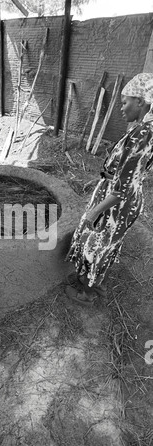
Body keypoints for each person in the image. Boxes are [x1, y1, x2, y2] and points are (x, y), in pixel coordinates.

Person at [65, 72, 153, 306]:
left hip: (117, 203)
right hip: (120, 198)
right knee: (106, 243)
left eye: (125, 102)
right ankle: (97, 283)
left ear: (141, 102)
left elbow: (123, 186)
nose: (121, 108)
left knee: (96, 244)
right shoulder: (144, 129)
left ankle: (87, 293)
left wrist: (94, 211)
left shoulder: (143, 134)